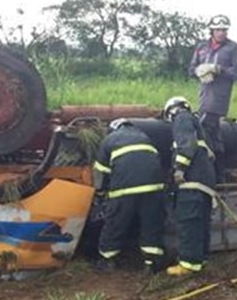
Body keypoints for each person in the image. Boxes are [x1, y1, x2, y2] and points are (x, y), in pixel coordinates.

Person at [92, 118, 167, 273]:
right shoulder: (145, 137)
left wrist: (99, 193)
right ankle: (151, 263)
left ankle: (108, 260)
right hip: (153, 188)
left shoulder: (109, 139)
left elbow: (100, 170)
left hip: (124, 189)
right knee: (151, 223)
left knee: (116, 223)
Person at [163, 96, 218, 276]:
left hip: (192, 181)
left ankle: (188, 264)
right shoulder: (198, 124)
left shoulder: (182, 117)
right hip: (204, 182)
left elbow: (186, 145)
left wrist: (179, 169)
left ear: (171, 110)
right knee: (200, 222)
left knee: (189, 222)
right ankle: (199, 260)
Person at [188, 14, 237, 181]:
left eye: (224, 30)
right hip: (204, 94)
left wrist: (219, 69)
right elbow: (191, 69)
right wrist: (200, 71)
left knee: (206, 127)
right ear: (212, 30)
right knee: (213, 134)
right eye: (218, 29)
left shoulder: (233, 48)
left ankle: (213, 172)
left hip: (219, 97)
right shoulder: (201, 47)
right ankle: (218, 172)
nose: (221, 33)